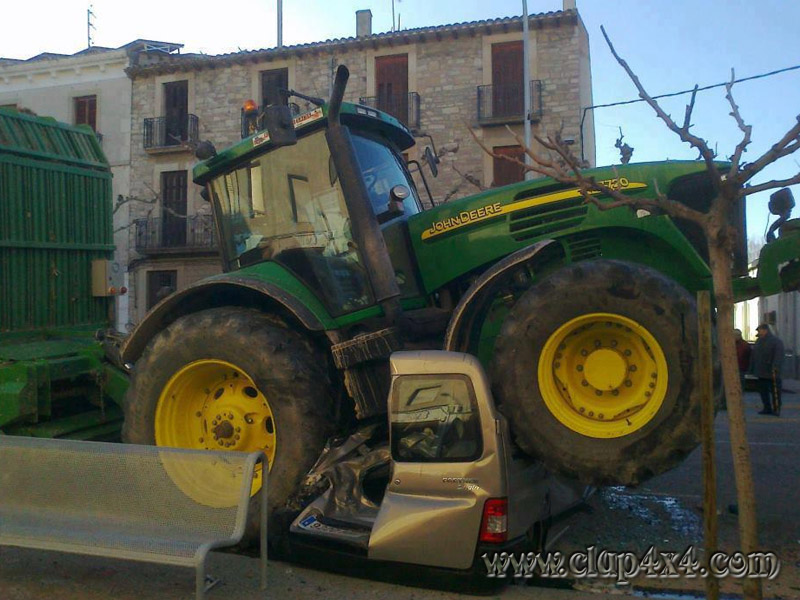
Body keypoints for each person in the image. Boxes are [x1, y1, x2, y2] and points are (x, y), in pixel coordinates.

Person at [750, 324, 784, 416]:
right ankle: (767, 407)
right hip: (761, 371)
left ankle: (776, 409)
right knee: (763, 391)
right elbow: (754, 355)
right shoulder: (759, 341)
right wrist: (752, 367)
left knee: (775, 391)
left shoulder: (776, 341)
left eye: (760, 330)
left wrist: (775, 366)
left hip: (772, 371)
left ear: (766, 330)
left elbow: (778, 355)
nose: (759, 332)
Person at [734, 329, 752, 400]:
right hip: (738, 367)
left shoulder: (744, 345)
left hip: (740, 367)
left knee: (740, 384)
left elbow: (746, 357)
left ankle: (739, 399)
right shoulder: (744, 344)